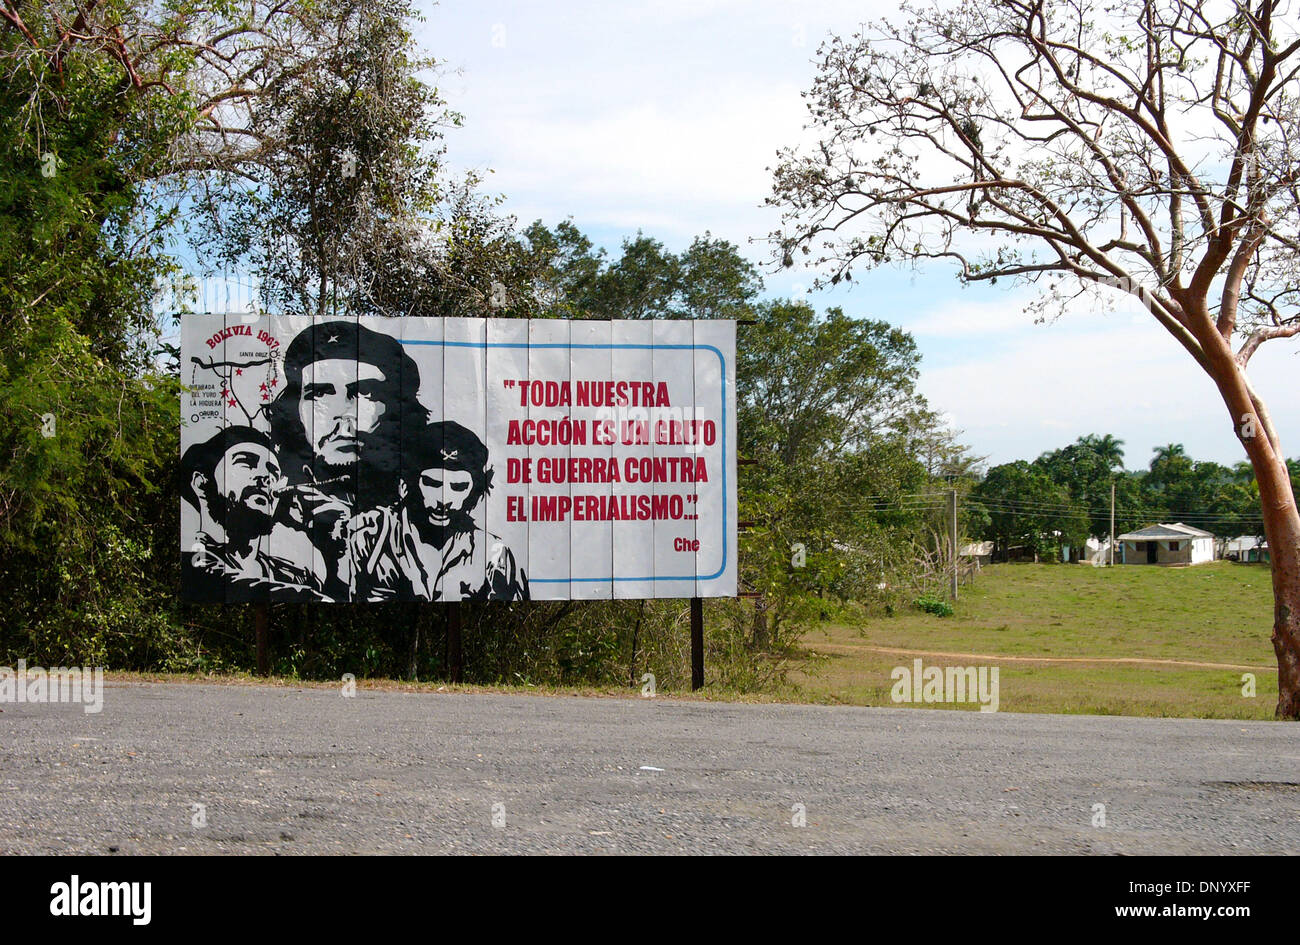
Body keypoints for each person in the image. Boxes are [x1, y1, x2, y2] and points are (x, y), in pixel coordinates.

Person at [266, 319, 427, 591]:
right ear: (295, 411)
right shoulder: (272, 516)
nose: (343, 414)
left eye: (364, 391)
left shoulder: (429, 510)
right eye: (318, 393)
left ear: (397, 409)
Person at [351, 420, 528, 602]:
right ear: (409, 482)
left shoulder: (492, 552)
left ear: (474, 490)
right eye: (432, 484)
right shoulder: (370, 535)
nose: (444, 500)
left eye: (459, 487)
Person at [180, 427, 330, 602]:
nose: (265, 477)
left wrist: (335, 542)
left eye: (273, 473)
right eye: (246, 463)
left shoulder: (290, 575)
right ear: (201, 484)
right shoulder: (192, 565)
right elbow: (223, 582)